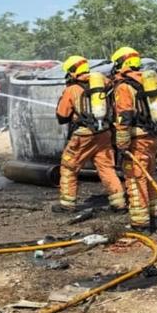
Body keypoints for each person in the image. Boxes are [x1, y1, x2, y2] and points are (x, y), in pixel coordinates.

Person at [53, 55, 125, 213]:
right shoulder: (105, 83)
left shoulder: (72, 89)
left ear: (72, 72)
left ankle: (67, 204)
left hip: (84, 136)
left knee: (69, 167)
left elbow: (62, 116)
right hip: (104, 133)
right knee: (107, 168)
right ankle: (119, 203)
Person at [111, 46, 157, 230]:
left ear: (121, 64)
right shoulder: (146, 82)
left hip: (137, 139)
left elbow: (125, 116)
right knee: (148, 177)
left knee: (134, 178)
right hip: (151, 137)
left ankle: (140, 223)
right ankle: (153, 215)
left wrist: (122, 144)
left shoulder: (124, 86)